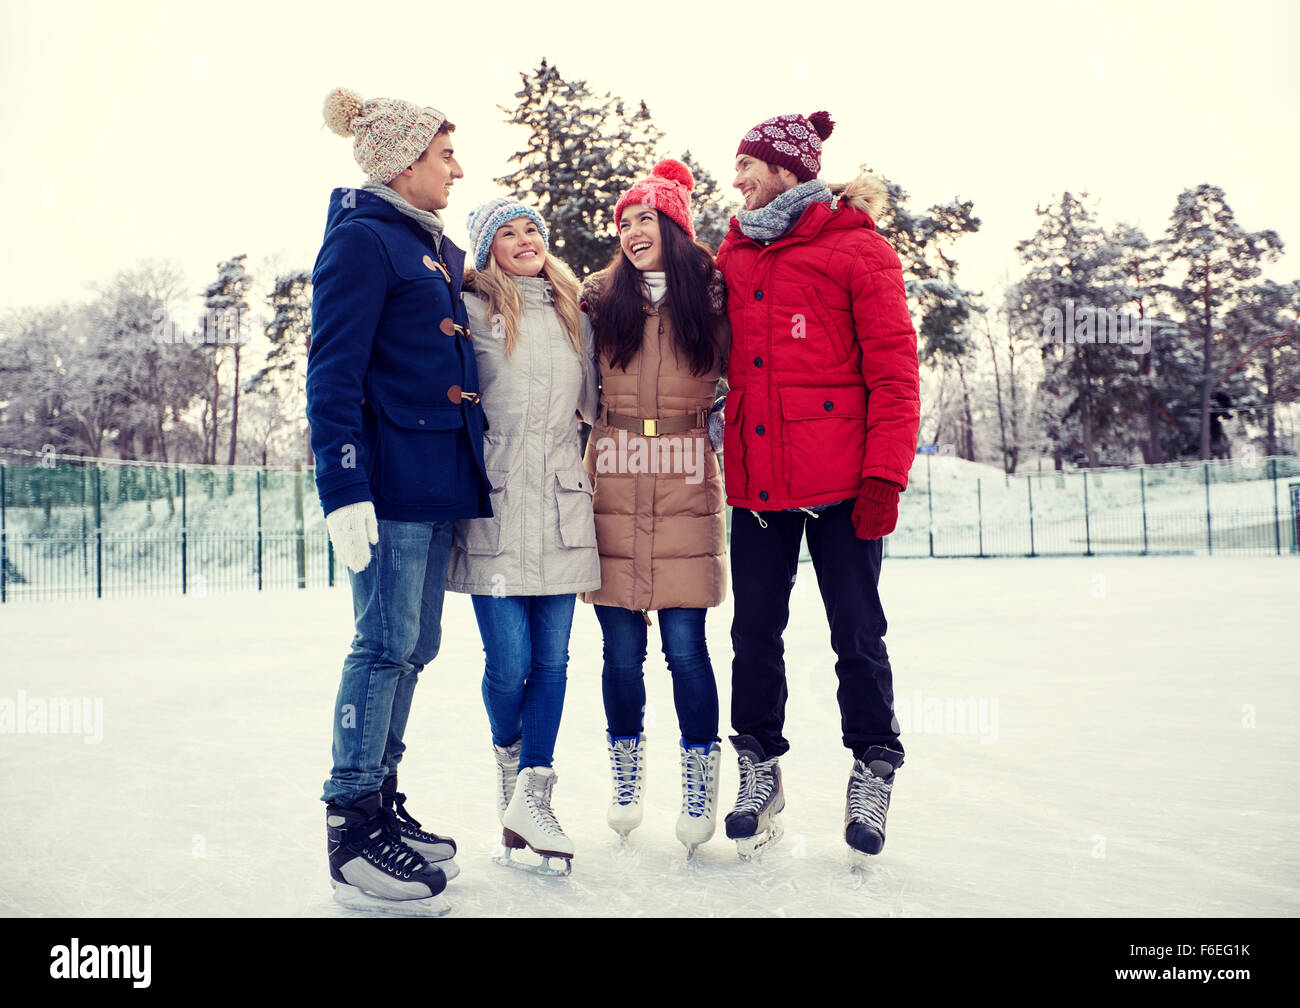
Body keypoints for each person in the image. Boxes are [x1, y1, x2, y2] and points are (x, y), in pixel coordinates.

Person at [716, 111, 920, 865]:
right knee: (752, 636)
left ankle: (873, 765)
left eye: (746, 166)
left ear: (786, 168)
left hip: (845, 486)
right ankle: (759, 772)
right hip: (758, 484)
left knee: (857, 635)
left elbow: (895, 371)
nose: (735, 180)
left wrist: (884, 476)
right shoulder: (733, 257)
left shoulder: (858, 251)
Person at [307, 86, 492, 914]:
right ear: (403, 162)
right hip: (383, 485)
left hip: (433, 479)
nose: (458, 168)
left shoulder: (429, 247)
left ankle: (381, 801)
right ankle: (350, 828)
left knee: (413, 648)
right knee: (381, 645)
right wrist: (342, 485)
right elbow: (333, 371)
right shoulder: (363, 243)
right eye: (445, 154)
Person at [580, 160, 730, 857]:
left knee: (685, 647)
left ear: (674, 224)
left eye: (647, 218)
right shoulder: (599, 298)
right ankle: (626, 773)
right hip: (611, 473)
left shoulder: (715, 299)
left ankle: (700, 778)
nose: (634, 231)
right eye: (626, 222)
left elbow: (741, 382)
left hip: (683, 474)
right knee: (618, 651)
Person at [447, 197, 600, 875]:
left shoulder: (576, 315)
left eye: (531, 228)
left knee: (555, 661)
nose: (523, 239)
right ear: (488, 252)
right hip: (499, 506)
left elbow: (600, 402)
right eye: (506, 233)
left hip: (565, 504)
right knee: (509, 664)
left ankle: (536, 791)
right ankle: (510, 768)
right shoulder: (473, 312)